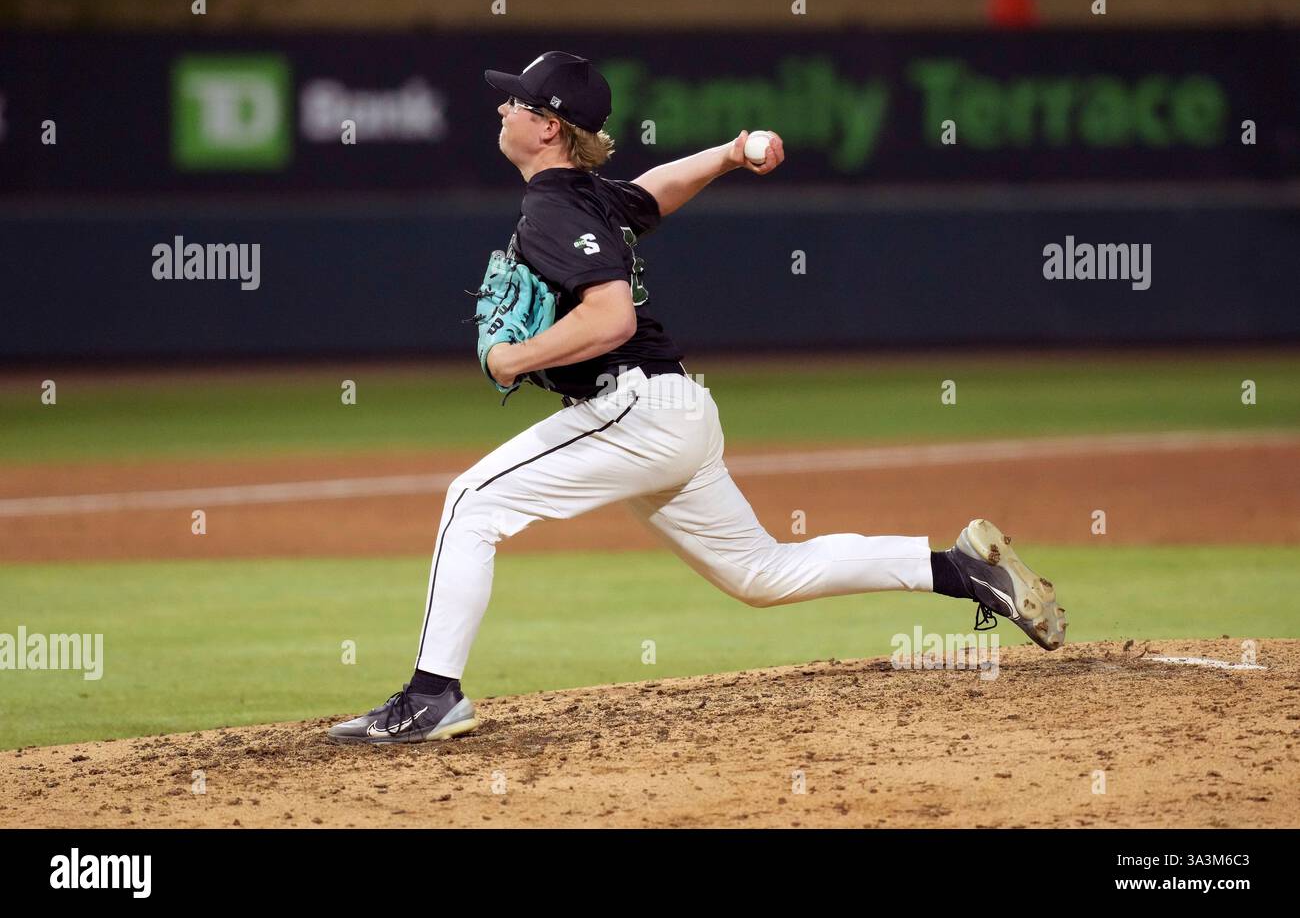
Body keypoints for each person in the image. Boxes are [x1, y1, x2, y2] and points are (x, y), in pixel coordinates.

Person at [327, 52, 1066, 744]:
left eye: (513, 102)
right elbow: (653, 195)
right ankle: (958, 568)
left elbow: (610, 317)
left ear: (548, 126)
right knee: (761, 574)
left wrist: (511, 358)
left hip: (634, 412)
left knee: (471, 502)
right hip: (674, 410)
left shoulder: (553, 208)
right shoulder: (584, 194)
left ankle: (433, 695)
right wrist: (728, 153)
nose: (501, 112)